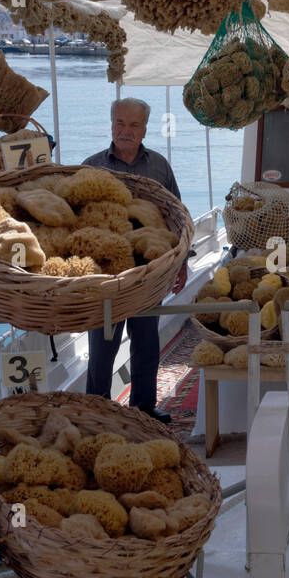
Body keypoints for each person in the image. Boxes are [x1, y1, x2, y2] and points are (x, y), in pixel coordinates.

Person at [84, 98, 188, 423]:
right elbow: (77, 223)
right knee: (102, 349)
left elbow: (178, 219)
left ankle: (143, 409)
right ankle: (98, 415)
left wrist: (181, 263)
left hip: (149, 273)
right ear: (111, 124)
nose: (125, 131)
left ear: (144, 130)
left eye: (133, 125)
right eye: (119, 123)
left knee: (146, 345)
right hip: (106, 276)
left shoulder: (159, 167)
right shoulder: (90, 168)